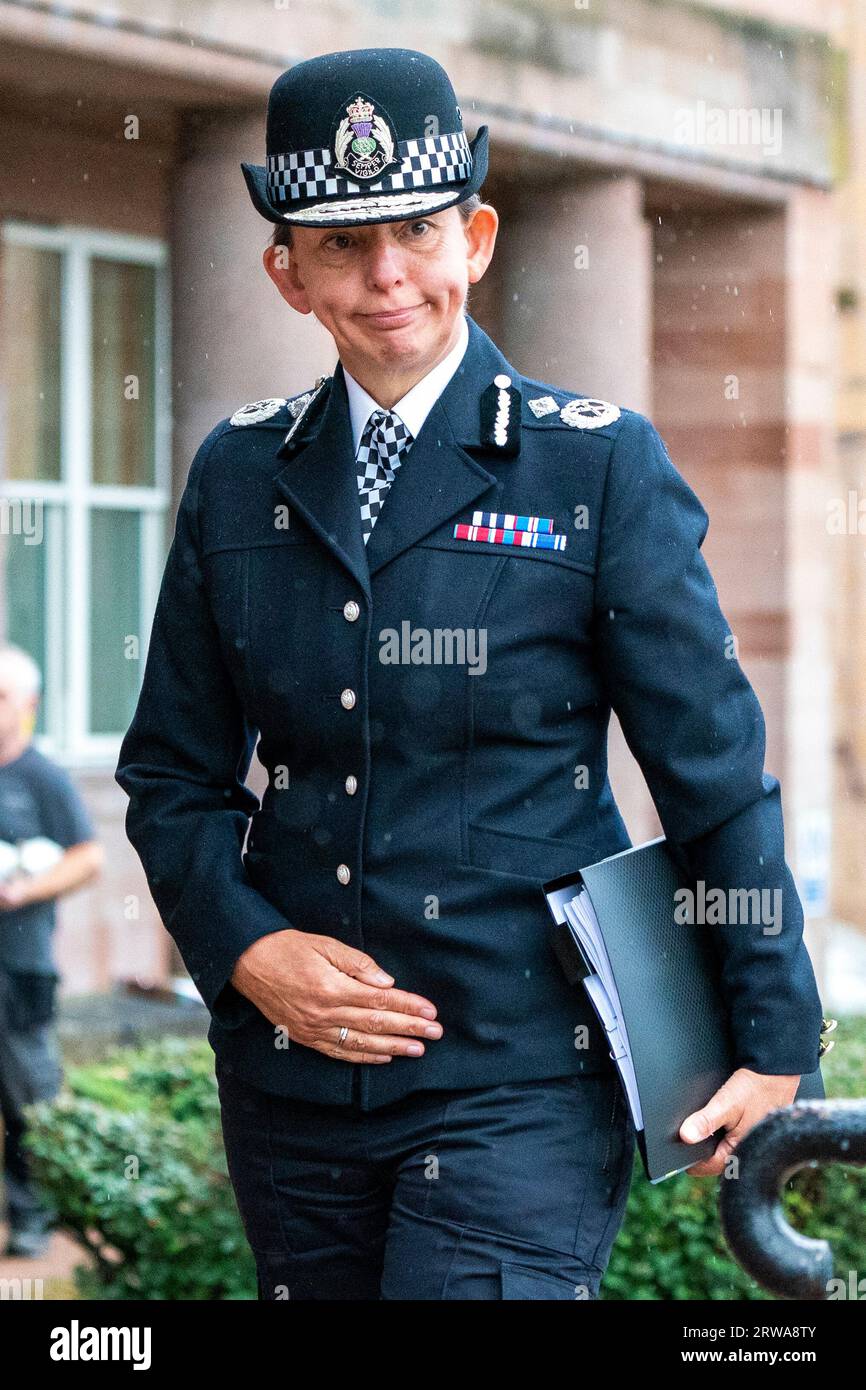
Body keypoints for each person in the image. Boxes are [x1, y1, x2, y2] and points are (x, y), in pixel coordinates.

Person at [115, 47, 826, 1300]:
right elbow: (172, 772)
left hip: (523, 1078)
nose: (385, 275)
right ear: (285, 273)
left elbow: (711, 769)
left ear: (477, 238)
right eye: (339, 245)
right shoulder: (237, 473)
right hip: (293, 1083)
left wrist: (774, 1036)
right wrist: (243, 947)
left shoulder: (594, 470)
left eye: (416, 231)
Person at [0, 644, 103, 1256]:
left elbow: (89, 858)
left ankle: (35, 1218)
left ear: (30, 706)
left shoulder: (43, 779)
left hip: (21, 967)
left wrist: (21, 893)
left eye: (2, 695)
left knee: (29, 1097)